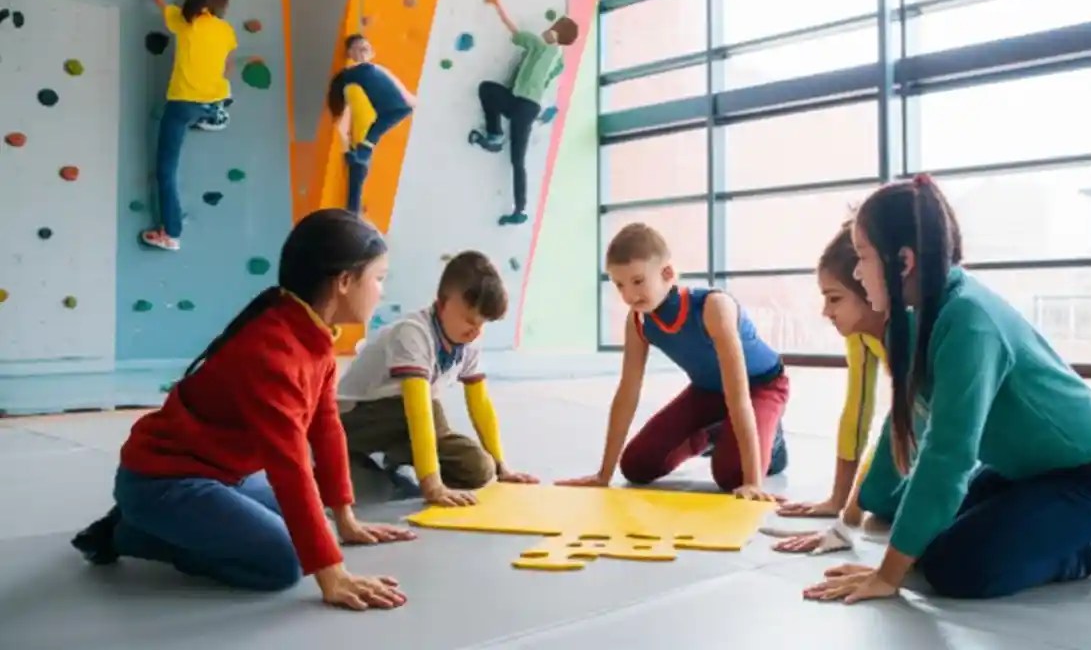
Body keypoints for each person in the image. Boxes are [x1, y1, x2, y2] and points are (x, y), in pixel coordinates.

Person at [802, 175, 1091, 605]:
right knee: (918, 526)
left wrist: (887, 576)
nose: (857, 272)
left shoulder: (968, 321)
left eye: (862, 256)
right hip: (1029, 470)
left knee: (957, 569)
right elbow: (911, 424)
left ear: (903, 261)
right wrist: (848, 522)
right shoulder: (920, 316)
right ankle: (1083, 528)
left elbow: (947, 454)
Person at [72, 209, 416, 612]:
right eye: (379, 278)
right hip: (164, 479)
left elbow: (325, 427)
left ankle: (169, 522)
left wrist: (345, 518)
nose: (382, 291)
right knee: (285, 564)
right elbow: (288, 466)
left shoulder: (313, 333)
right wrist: (332, 574)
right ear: (344, 282)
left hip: (223, 474)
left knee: (313, 525)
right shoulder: (274, 351)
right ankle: (130, 533)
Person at [557, 222, 788, 501]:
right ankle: (715, 433)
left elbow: (738, 396)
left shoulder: (714, 308)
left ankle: (773, 443)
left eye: (638, 281)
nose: (629, 295)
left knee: (732, 477)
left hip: (760, 387)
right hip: (707, 390)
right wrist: (603, 476)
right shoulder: (639, 321)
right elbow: (627, 392)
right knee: (636, 466)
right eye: (620, 285)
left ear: (667, 273)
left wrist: (753, 482)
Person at [337, 251, 538, 505]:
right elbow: (418, 409)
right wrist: (432, 485)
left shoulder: (469, 340)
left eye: (483, 324)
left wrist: (501, 466)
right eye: (469, 320)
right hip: (352, 422)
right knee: (430, 411)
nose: (475, 331)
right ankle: (351, 462)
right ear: (442, 303)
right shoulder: (412, 333)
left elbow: (480, 404)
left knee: (479, 469)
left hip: (403, 423)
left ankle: (391, 462)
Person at [763, 221, 898, 555]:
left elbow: (906, 426)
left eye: (834, 298)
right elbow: (857, 412)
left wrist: (847, 521)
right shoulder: (862, 333)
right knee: (877, 500)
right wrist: (839, 500)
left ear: (871, 289)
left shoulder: (909, 332)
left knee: (877, 498)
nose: (826, 312)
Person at [138, 0, 238, 252]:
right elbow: (228, 66)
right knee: (219, 94)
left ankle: (171, 232)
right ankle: (214, 115)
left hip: (181, 104)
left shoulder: (185, 21)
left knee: (166, 170)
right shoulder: (226, 30)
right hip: (211, 97)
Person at [469, 0, 578, 226]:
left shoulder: (541, 46)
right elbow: (545, 82)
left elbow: (514, 30)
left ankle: (495, 133)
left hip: (518, 103)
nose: (547, 29)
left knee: (486, 89)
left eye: (553, 27)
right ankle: (520, 210)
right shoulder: (559, 62)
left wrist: (497, 4)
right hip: (530, 108)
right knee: (518, 161)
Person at [327, 34, 418, 215]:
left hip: (369, 128)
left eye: (366, 47)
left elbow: (405, 100)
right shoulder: (356, 75)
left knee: (359, 169)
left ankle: (353, 212)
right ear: (350, 53)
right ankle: (352, 213)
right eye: (358, 48)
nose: (363, 51)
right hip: (366, 128)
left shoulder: (371, 71)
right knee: (359, 165)